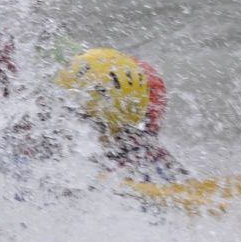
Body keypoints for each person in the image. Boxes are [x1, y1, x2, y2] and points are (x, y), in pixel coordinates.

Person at [52, 45, 188, 183]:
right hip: (104, 81)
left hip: (132, 90)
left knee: (141, 147)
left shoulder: (148, 101)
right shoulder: (52, 113)